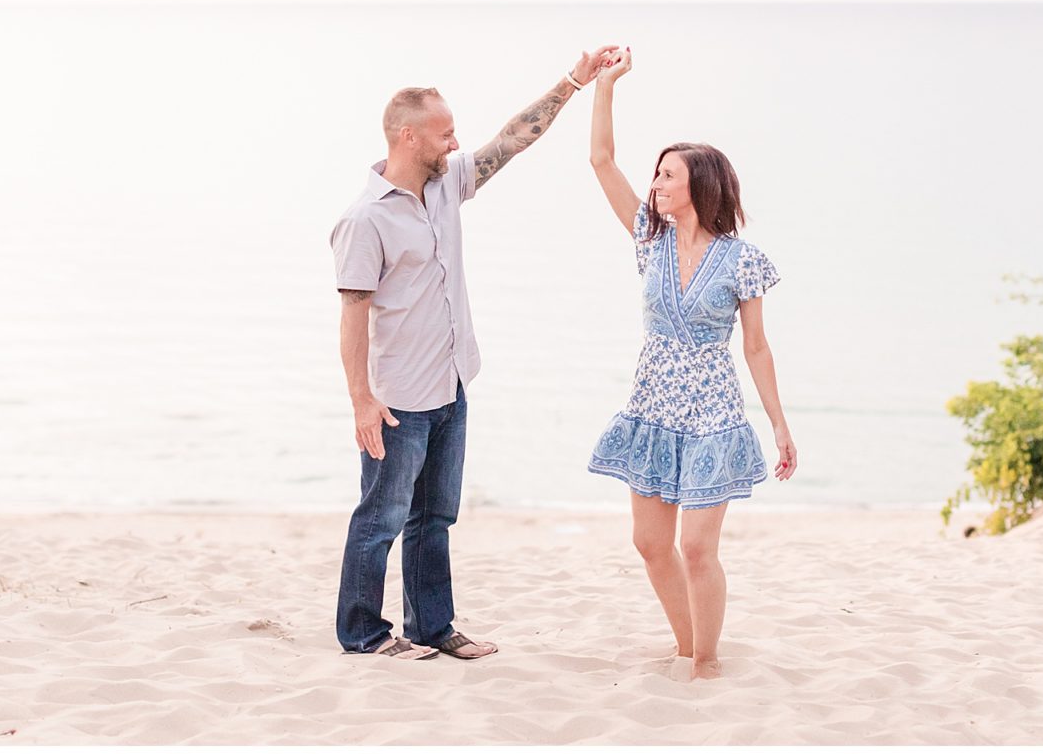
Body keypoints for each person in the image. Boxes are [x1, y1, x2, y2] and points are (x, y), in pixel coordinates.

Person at [330, 46, 620, 661]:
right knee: (380, 519)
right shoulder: (365, 220)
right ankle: (363, 633)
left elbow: (510, 142)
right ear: (408, 137)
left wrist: (574, 81)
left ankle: (432, 628)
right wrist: (360, 399)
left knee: (434, 518)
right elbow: (353, 313)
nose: (455, 142)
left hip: (451, 385)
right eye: (444, 133)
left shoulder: (445, 187)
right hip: (397, 398)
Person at [584, 47, 798, 681]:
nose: (656, 184)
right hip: (653, 406)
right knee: (650, 545)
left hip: (711, 409)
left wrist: (781, 425)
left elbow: (756, 346)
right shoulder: (648, 239)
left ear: (699, 186)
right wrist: (605, 85)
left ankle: (706, 663)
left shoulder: (743, 259)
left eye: (668, 176)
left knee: (697, 548)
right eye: (656, 175)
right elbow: (600, 160)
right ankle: (686, 647)